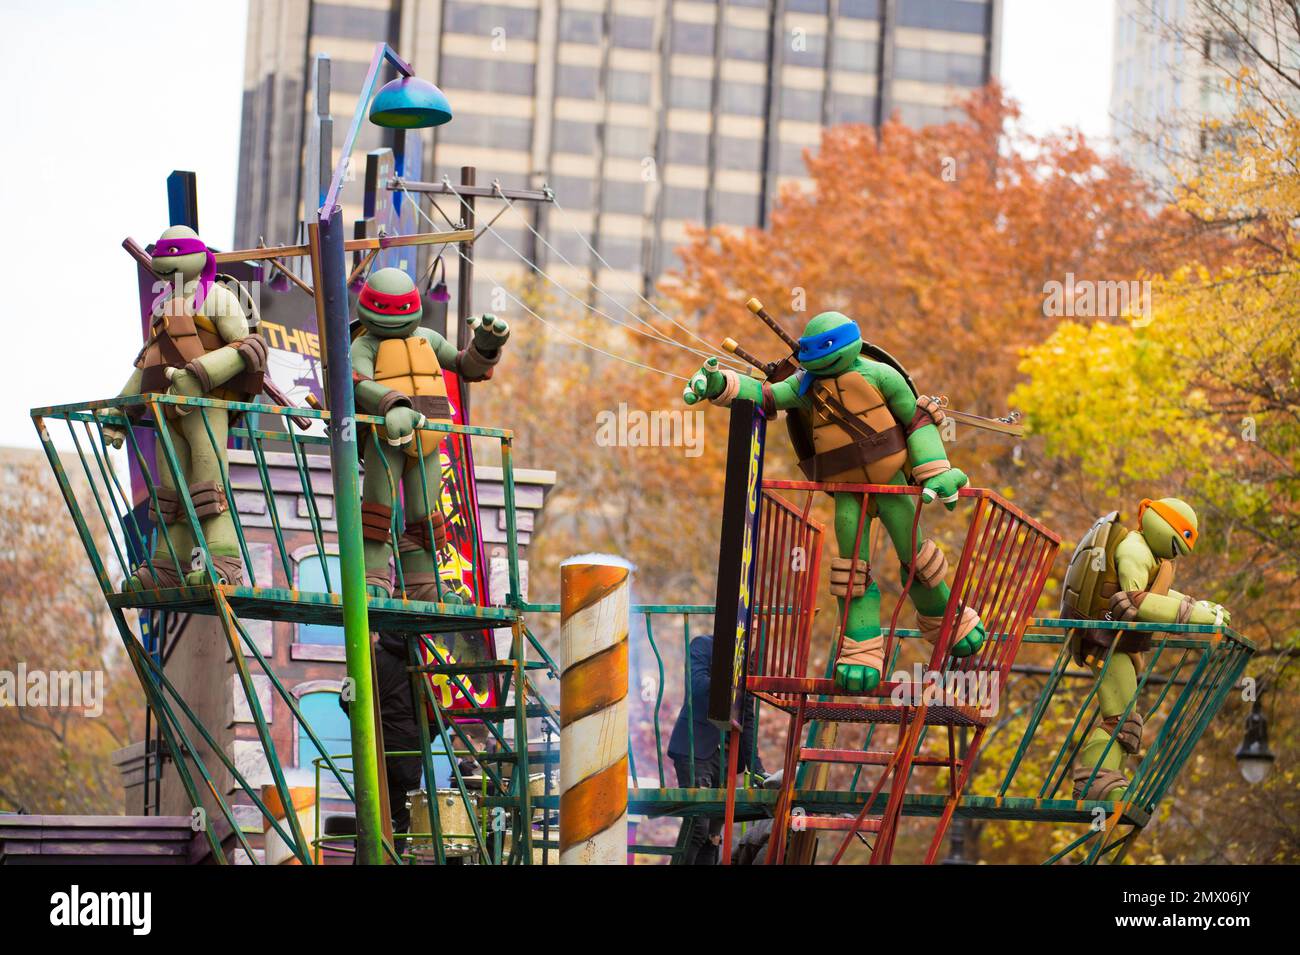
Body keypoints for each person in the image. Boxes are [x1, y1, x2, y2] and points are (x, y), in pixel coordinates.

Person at [666, 634, 765, 864]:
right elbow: (698, 688)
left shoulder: (748, 663)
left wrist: (757, 768)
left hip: (725, 757)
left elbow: (747, 720)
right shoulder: (703, 645)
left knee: (713, 835)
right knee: (698, 827)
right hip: (695, 748)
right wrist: (732, 671)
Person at [339, 631, 423, 851]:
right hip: (409, 750)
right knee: (401, 818)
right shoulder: (419, 660)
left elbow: (345, 700)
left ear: (376, 632)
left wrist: (364, 725)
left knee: (370, 815)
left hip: (374, 747)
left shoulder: (369, 659)